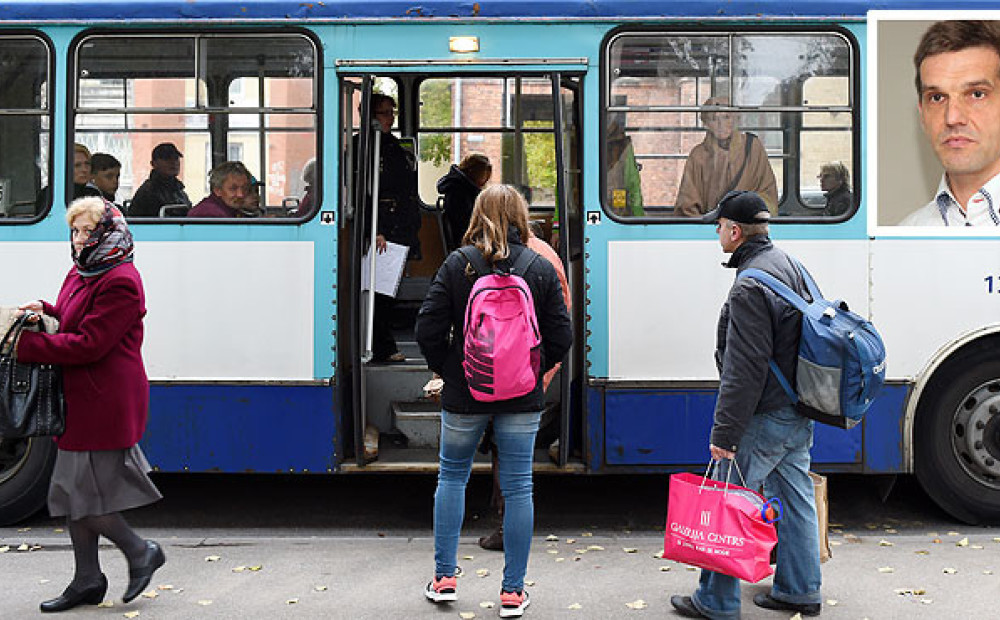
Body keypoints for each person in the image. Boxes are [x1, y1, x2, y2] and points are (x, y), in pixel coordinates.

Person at [415, 185, 572, 618]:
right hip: (522, 395)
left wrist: (450, 369)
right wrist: (534, 371)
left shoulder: (456, 265)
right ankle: (512, 592)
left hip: (465, 392)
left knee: (452, 479)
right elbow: (563, 336)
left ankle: (444, 579)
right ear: (522, 217)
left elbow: (427, 327)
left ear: (477, 215)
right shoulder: (538, 268)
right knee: (520, 487)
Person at [670, 190, 822, 619]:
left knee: (727, 500)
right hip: (798, 407)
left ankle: (716, 601)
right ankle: (799, 590)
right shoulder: (788, 264)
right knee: (795, 500)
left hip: (764, 414)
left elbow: (745, 368)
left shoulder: (750, 285)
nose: (717, 233)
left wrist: (725, 433)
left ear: (735, 232)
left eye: (719, 226)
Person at [16, 197, 165, 613]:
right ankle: (87, 580)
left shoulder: (121, 280)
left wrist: (30, 347)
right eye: (75, 232)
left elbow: (92, 344)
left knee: (80, 498)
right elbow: (70, 318)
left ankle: (141, 552)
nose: (80, 240)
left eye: (87, 232)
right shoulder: (84, 269)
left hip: (105, 400)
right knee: (71, 495)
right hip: (82, 398)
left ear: (108, 234)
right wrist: (43, 312)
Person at [477, 219, 571, 552]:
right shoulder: (543, 255)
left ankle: (505, 525)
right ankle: (504, 518)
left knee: (507, 449)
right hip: (525, 366)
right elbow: (561, 324)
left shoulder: (505, 256)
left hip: (508, 368)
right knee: (509, 445)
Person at [901, 20, 1000, 226]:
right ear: (922, 114)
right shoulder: (906, 234)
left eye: (976, 94)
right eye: (937, 97)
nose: (952, 118)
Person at [359, 93, 421, 363]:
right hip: (382, 224)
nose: (390, 118)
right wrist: (375, 229)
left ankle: (383, 341)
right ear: (370, 116)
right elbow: (365, 194)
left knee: (389, 288)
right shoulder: (364, 146)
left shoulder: (392, 146)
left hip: (399, 225)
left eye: (391, 112)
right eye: (384, 113)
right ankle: (380, 345)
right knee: (379, 291)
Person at [675, 97, 778, 217]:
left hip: (746, 226)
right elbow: (687, 204)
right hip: (711, 227)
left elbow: (768, 193)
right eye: (714, 119)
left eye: (726, 117)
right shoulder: (698, 155)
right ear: (706, 124)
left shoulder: (753, 148)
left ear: (735, 119)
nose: (721, 124)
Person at [437, 153, 492, 250]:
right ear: (473, 173)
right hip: (465, 240)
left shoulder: (459, 187)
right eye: (484, 177)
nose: (485, 182)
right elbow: (465, 224)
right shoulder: (459, 193)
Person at [128, 142, 191, 217]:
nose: (173, 162)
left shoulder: (179, 191)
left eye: (176, 158)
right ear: (153, 164)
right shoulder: (148, 192)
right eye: (167, 158)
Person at [606, 119, 644, 216]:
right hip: (618, 213)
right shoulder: (623, 147)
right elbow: (633, 186)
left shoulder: (586, 142)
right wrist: (639, 219)